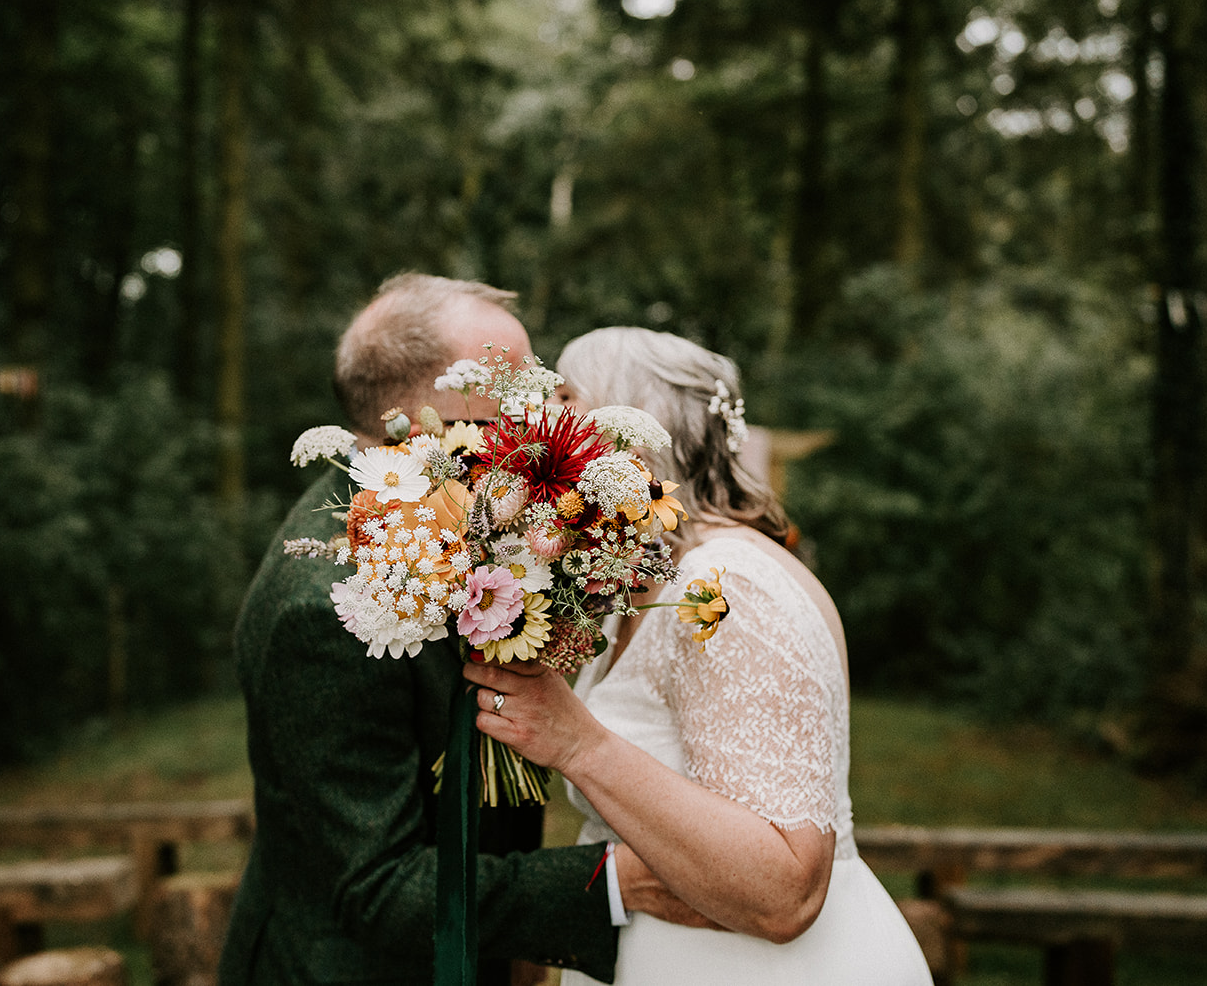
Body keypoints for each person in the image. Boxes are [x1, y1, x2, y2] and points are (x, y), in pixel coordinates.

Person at [218, 281, 703, 986]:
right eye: (512, 403)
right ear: (418, 422)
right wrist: (608, 881)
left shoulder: (451, 518)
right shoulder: (321, 609)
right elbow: (375, 885)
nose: (537, 420)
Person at [463, 327, 934, 985]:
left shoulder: (728, 582)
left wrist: (579, 743)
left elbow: (785, 887)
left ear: (630, 428)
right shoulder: (654, 580)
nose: (542, 427)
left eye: (568, 397)